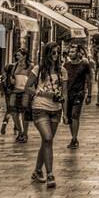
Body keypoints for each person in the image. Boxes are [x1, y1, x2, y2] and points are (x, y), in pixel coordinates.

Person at [28, 49, 65, 188]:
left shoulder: (62, 71)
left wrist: (65, 113)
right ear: (47, 54)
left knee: (46, 142)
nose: (55, 55)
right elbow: (28, 87)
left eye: (57, 53)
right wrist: (41, 93)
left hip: (56, 110)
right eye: (53, 53)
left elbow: (64, 92)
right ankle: (50, 174)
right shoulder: (38, 69)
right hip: (40, 107)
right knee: (48, 138)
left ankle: (37, 171)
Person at [62, 42, 92, 149]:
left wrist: (89, 95)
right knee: (70, 117)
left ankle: (74, 138)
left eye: (73, 52)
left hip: (79, 93)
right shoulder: (66, 66)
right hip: (67, 93)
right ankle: (73, 137)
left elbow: (89, 80)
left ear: (78, 53)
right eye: (70, 52)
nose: (71, 53)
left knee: (75, 115)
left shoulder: (84, 65)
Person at [2, 52, 32, 142]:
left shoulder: (31, 66)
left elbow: (34, 78)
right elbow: (5, 74)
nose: (16, 57)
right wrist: (10, 80)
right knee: (14, 113)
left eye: (19, 55)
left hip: (25, 92)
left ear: (25, 56)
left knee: (24, 114)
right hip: (14, 91)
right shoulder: (14, 66)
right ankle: (20, 132)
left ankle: (25, 134)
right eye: (16, 55)